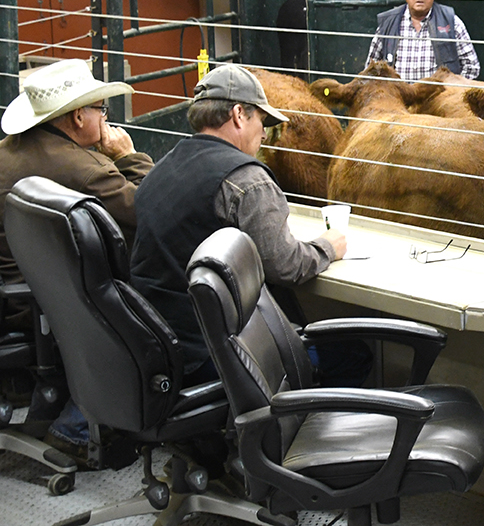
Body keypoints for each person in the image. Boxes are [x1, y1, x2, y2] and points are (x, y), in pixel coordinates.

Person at [130, 64, 348, 381]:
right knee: (350, 355)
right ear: (238, 115)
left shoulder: (164, 166)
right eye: (261, 121)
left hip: (156, 344)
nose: (263, 133)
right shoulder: (247, 179)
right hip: (212, 353)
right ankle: (302, 428)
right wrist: (329, 246)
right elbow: (286, 265)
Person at [0, 59, 151, 293]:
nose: (105, 118)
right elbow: (153, 212)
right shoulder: (89, 171)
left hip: (17, 299)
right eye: (101, 109)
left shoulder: (5, 150)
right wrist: (127, 156)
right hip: (56, 306)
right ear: (78, 117)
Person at [365, 0, 480, 81]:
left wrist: (451, 92)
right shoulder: (388, 23)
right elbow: (370, 68)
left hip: (438, 97)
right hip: (398, 97)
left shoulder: (451, 21)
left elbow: (472, 67)